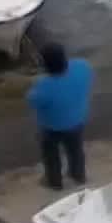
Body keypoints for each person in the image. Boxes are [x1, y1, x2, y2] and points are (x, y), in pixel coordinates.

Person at [28, 42, 92, 190]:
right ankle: (78, 176)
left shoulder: (43, 87)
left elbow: (34, 103)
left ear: (45, 65)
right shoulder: (83, 67)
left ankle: (55, 182)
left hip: (52, 128)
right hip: (77, 120)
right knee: (76, 151)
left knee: (51, 156)